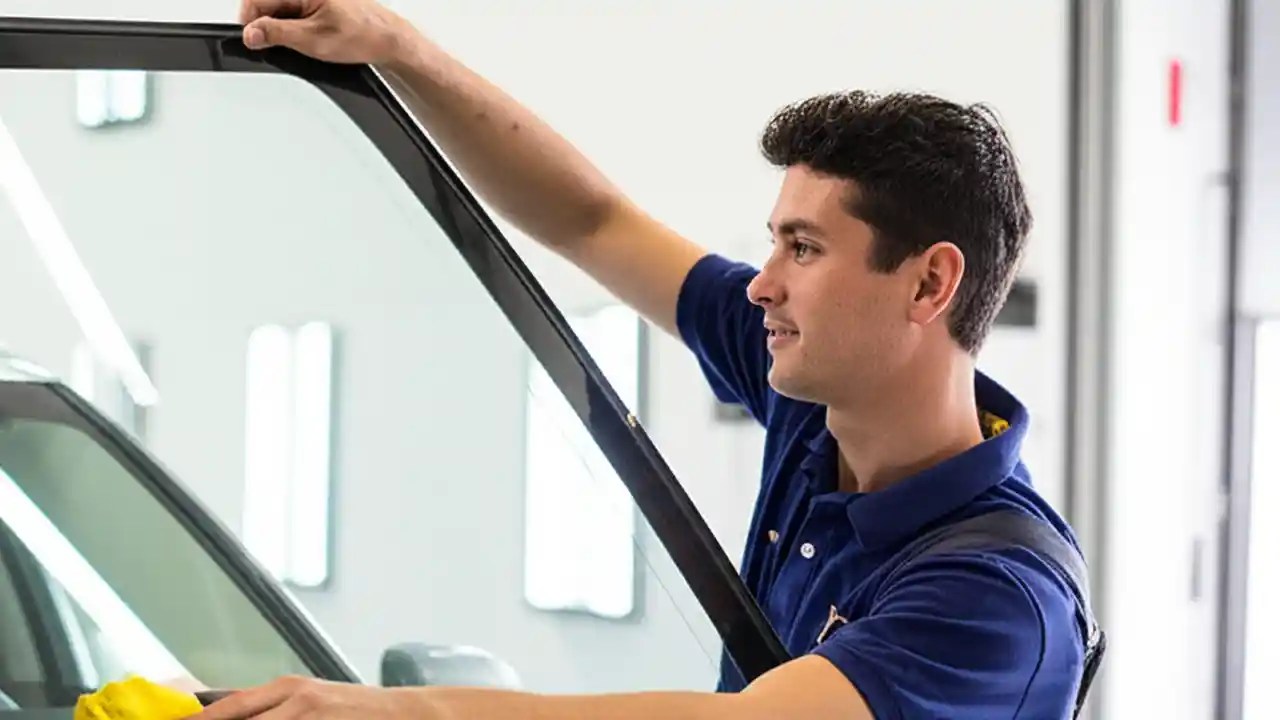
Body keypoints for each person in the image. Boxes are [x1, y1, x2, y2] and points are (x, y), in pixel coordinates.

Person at [198, 1, 1092, 718]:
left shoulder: (999, 601)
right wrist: (398, 48)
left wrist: (393, 714)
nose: (761, 285)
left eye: (805, 249)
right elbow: (594, 223)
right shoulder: (818, 407)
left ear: (930, 284)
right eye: (773, 244)